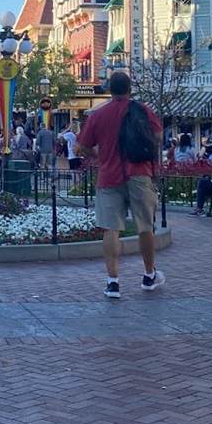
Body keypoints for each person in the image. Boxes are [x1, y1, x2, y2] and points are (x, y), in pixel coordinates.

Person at [76, 70, 162, 300]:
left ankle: (113, 282)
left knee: (110, 228)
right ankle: (148, 275)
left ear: (109, 89)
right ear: (130, 88)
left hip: (109, 175)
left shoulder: (98, 115)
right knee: (146, 227)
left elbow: (82, 146)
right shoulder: (143, 110)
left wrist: (99, 156)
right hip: (140, 173)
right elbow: (158, 137)